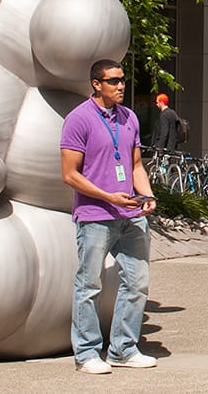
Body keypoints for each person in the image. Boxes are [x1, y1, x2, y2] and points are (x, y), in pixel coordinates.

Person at [60, 59, 157, 376]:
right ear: (96, 84)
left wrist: (147, 195)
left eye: (122, 80)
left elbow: (136, 165)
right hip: (95, 215)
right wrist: (107, 196)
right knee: (89, 285)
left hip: (131, 214)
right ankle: (86, 353)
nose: (121, 86)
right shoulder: (79, 120)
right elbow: (69, 174)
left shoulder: (129, 118)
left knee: (138, 283)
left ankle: (123, 349)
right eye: (113, 81)